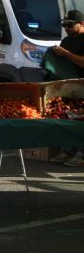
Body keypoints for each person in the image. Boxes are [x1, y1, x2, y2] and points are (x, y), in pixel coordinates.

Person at [45, 10, 84, 166]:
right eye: (64, 25)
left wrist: (65, 53)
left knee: (81, 121)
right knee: (66, 118)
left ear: (81, 23)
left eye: (69, 25)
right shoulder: (67, 40)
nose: (66, 28)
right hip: (69, 88)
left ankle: (81, 155)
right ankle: (66, 150)